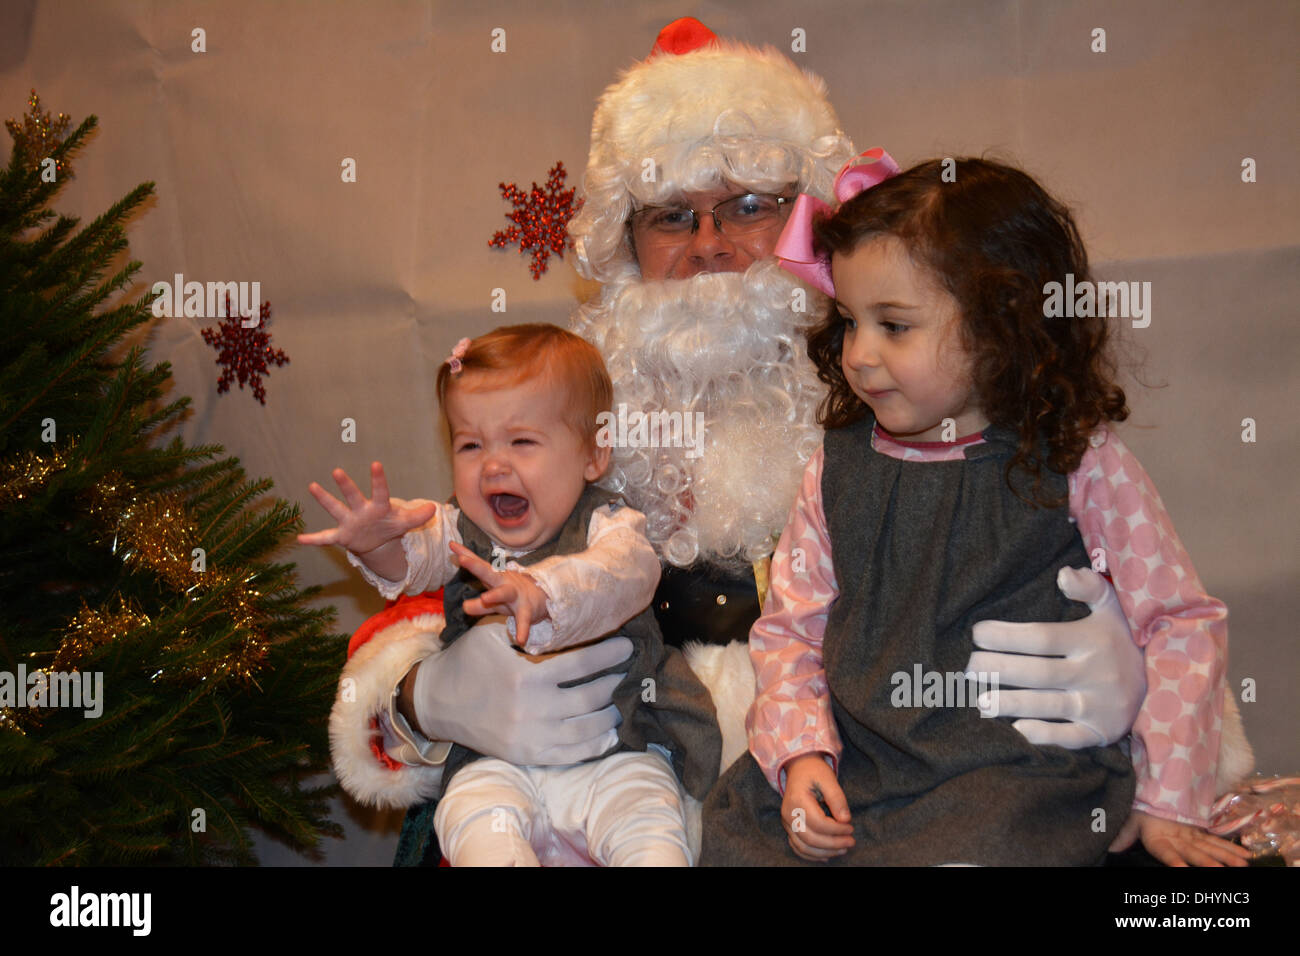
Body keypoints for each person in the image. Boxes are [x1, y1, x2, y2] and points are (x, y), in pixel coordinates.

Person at [326, 18, 1162, 865]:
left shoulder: (921, 400)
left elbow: (1128, 581)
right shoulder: (559, 409)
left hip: (880, 792)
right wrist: (424, 703)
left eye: (750, 205)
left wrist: (1134, 692)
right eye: (669, 216)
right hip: (617, 789)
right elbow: (445, 569)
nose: (709, 246)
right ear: (625, 245)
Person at [701, 153, 1253, 867]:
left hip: (1009, 770)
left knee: (984, 847)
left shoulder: (1077, 459)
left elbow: (1179, 624)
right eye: (848, 321)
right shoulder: (834, 469)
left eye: (894, 325)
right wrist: (799, 757)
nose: (859, 355)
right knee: (734, 831)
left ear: (1003, 328)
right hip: (862, 762)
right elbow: (791, 632)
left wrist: (1165, 800)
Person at [302, 325, 720, 865]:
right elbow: (414, 561)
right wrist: (377, 544)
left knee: (650, 831)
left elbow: (626, 573)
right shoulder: (457, 526)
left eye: (521, 441)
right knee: (470, 816)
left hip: (616, 751)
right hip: (495, 760)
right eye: (471, 444)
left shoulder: (611, 524)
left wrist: (543, 591)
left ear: (594, 455)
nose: (494, 465)